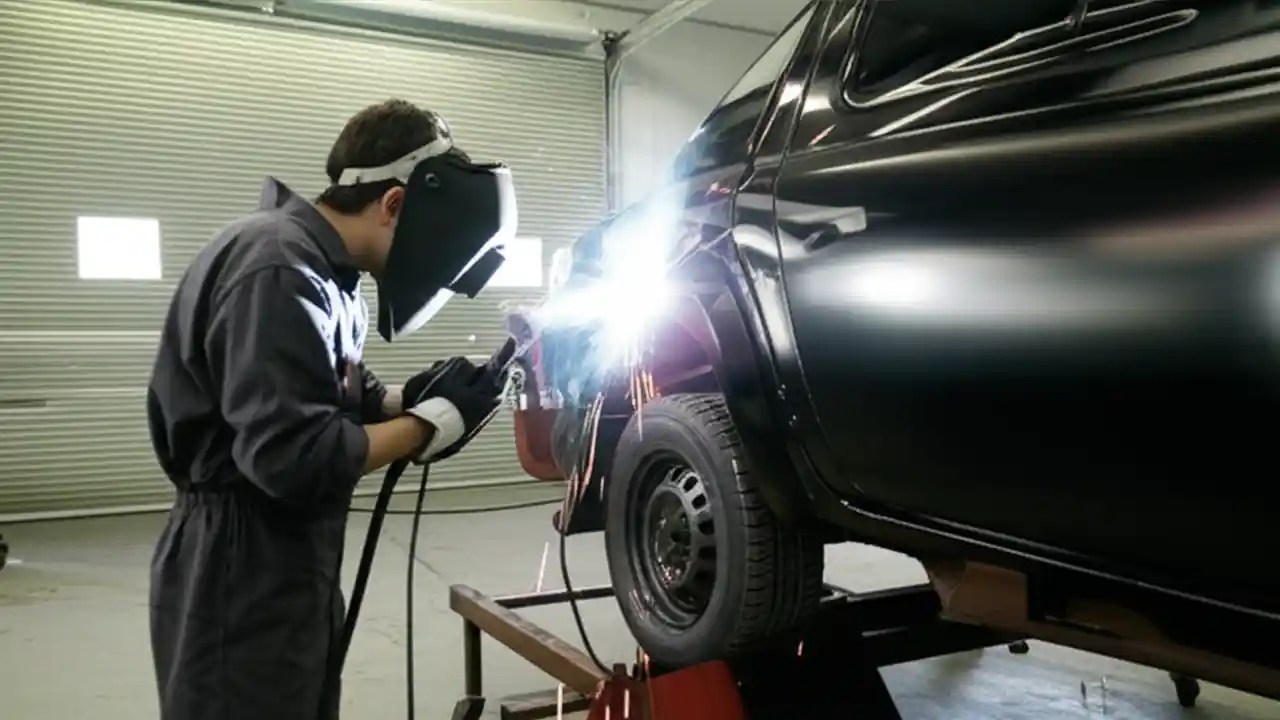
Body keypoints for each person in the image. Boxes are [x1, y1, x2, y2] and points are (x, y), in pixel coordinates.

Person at [145, 99, 516, 720]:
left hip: (286, 555)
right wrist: (427, 425)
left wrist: (404, 399)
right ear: (394, 204)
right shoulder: (278, 268)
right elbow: (293, 455)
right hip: (240, 564)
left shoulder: (325, 274)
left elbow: (334, 392)